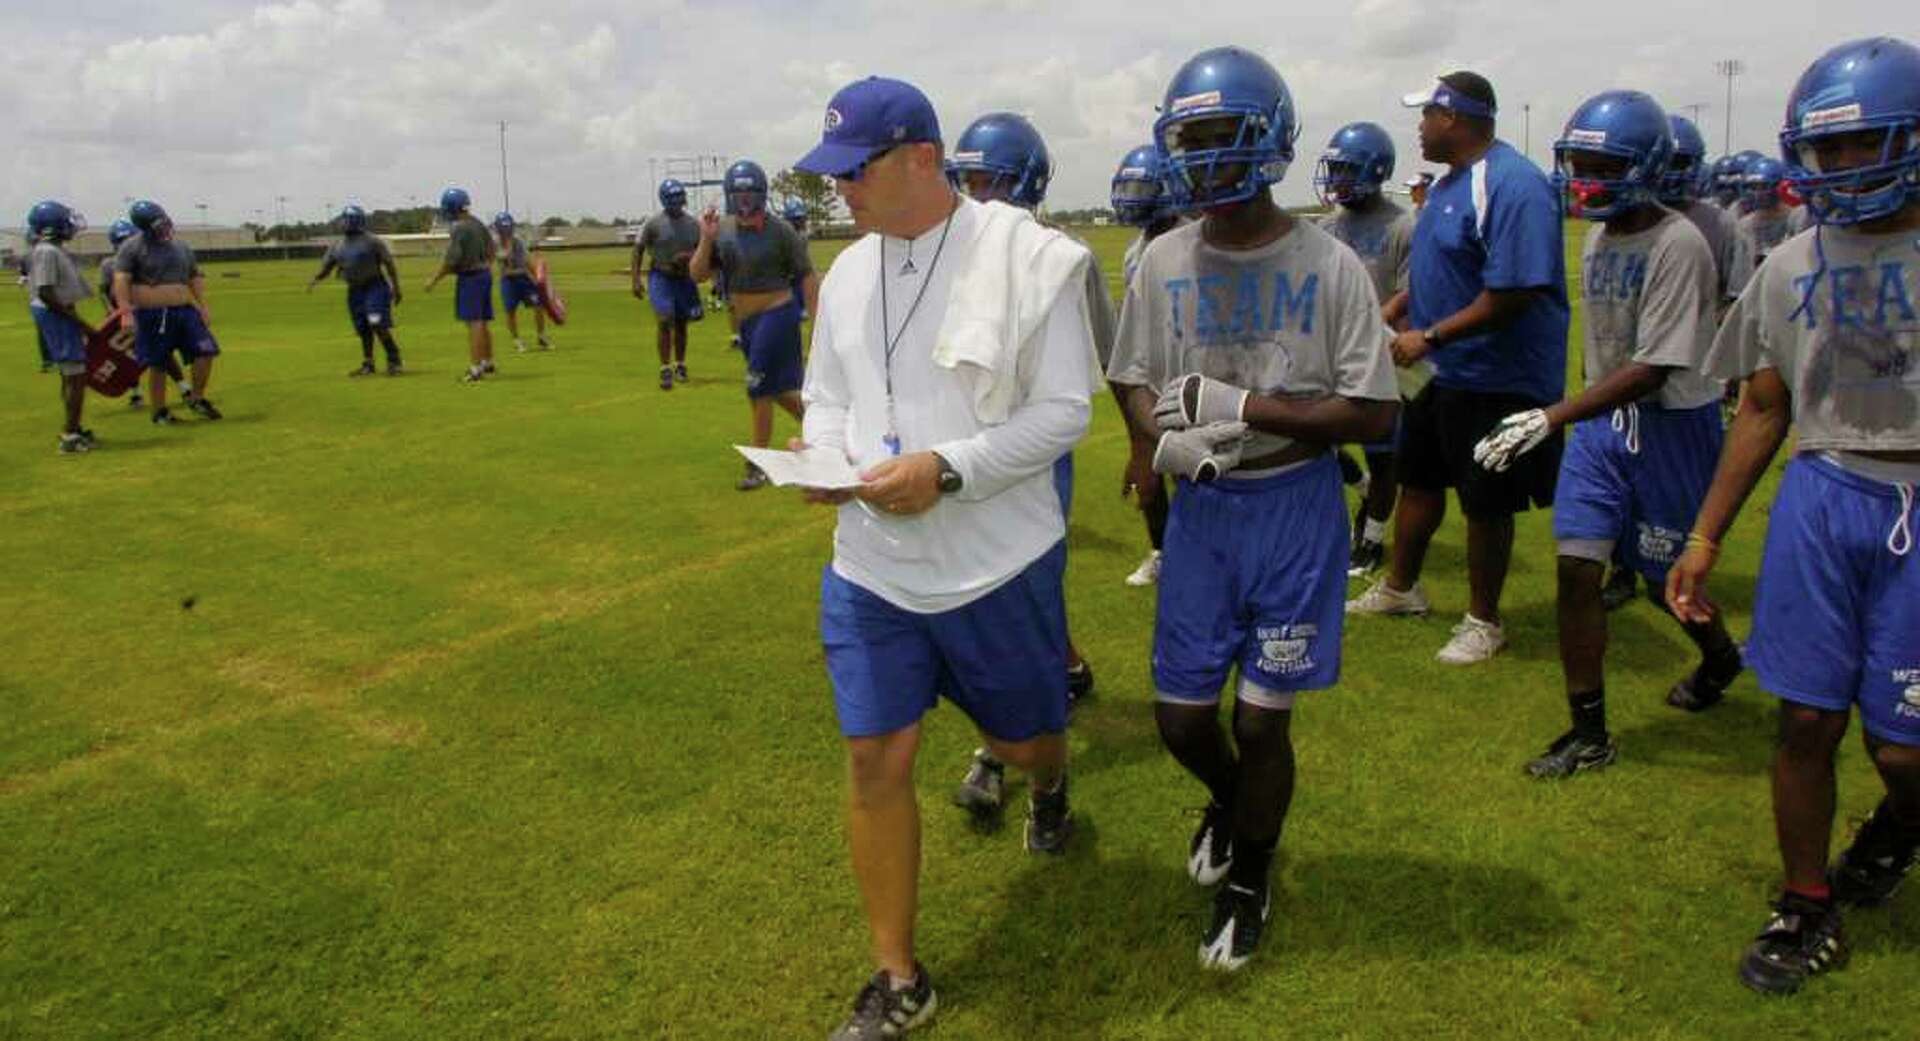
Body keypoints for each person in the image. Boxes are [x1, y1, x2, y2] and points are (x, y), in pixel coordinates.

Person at [790, 74, 1095, 1038]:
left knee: (1021, 739)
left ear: (924, 156)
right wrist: (826, 459)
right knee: (875, 753)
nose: (842, 191)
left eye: (858, 170)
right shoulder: (845, 273)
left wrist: (948, 469)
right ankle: (899, 976)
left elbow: (1063, 414)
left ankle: (1045, 780)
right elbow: (830, 393)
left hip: (994, 564)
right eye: (834, 175)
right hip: (872, 564)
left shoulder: (1030, 258)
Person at [1111, 47, 1399, 972]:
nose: (1200, 159)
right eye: (1185, 140)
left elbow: (1378, 409)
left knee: (1262, 720)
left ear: (1267, 139)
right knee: (1182, 721)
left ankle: (1252, 875)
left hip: (1292, 504)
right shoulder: (1160, 259)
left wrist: (1245, 409)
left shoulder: (1331, 263)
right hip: (1204, 509)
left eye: (1216, 137)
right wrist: (1161, 438)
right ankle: (1233, 805)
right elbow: (1133, 376)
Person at [1667, 35, 1920, 996]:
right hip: (1824, 493)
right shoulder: (1789, 262)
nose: (1848, 167)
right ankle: (1805, 900)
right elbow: (1765, 405)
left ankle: (1900, 823)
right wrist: (1704, 535)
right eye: (1833, 150)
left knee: (1903, 745)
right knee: (1806, 717)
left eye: (1869, 145)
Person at [1475, 90, 1742, 779]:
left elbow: (1653, 367)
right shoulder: (1596, 237)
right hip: (1601, 425)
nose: (1589, 176)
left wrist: (1551, 415)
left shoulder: (1679, 244)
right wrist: (1574, 412)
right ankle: (1588, 730)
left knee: (1663, 582)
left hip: (1671, 425)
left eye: (1604, 163)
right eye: (1582, 161)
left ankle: (1719, 655)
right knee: (1576, 568)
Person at [1347, 71, 1570, 666]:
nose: (1418, 128)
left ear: (1453, 117)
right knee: (1417, 479)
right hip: (1440, 373)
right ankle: (1401, 587)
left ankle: (1484, 620)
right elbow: (1438, 274)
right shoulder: (1448, 187)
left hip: (1496, 375)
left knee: (1485, 502)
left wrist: (1432, 335)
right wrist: (1395, 310)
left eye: (1426, 116)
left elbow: (1515, 291)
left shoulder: (1513, 184)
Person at [943, 109, 1103, 822]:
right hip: (966, 459)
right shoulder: (946, 253)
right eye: (964, 179)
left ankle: (1009, 762)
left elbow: (1090, 367)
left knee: (1018, 595)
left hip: (1031, 459)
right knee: (992, 597)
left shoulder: (1056, 256)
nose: (971, 194)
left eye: (985, 179)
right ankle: (1067, 670)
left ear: (1023, 181)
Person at [1314, 120, 1416, 575]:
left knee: (1384, 448)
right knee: (1314, 437)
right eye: (1333, 168)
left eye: (1346, 169)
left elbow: (1409, 290)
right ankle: (1361, 485)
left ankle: (1371, 538)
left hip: (1380, 352)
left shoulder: (1403, 226)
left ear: (1375, 169)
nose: (1337, 178)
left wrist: (1370, 324)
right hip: (1327, 353)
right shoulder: (1325, 227)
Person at [690, 159, 818, 490]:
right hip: (747, 322)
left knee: (756, 386)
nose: (744, 200)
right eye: (738, 193)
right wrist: (706, 239)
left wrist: (818, 325)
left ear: (762, 194)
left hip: (777, 314)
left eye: (750, 192)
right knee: (774, 390)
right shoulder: (724, 230)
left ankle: (758, 463)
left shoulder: (782, 232)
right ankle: (826, 427)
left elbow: (807, 277)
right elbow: (698, 274)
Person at [1111, 143, 1184, 587]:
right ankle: (1161, 551)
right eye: (1128, 187)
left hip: (1188, 376)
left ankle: (1194, 555)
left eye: (1142, 186)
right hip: (1150, 378)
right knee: (1151, 470)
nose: (1132, 197)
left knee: (1190, 472)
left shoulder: (1189, 239)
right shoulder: (1135, 250)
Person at [112, 199, 223, 425]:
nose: (163, 228)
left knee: (206, 350)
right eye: (157, 226)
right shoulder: (132, 247)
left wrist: (203, 305)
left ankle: (197, 398)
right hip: (153, 315)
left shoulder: (181, 247)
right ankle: (159, 411)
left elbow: (194, 276)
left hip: (184, 311)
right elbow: (121, 279)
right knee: (158, 362)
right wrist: (125, 312)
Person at [25, 201, 97, 453]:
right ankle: (69, 435)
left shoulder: (53, 249)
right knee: (75, 375)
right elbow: (46, 293)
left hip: (60, 313)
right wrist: (82, 325)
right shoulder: (46, 251)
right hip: (56, 314)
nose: (70, 226)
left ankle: (74, 427)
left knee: (71, 374)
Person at [307, 205, 404, 377]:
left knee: (376, 322)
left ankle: (394, 359)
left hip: (375, 287)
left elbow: (389, 264)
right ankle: (368, 363)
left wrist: (396, 288)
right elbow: (328, 267)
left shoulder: (373, 241)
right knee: (363, 327)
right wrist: (316, 278)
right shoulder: (337, 245)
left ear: (353, 221)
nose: (342, 223)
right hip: (355, 291)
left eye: (345, 219)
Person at [631, 179, 704, 390]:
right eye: (672, 197)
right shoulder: (652, 223)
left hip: (685, 278)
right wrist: (635, 279)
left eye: (679, 196)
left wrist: (688, 256)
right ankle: (665, 368)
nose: (676, 201)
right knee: (664, 320)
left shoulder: (693, 224)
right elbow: (638, 249)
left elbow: (704, 249)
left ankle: (680, 364)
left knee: (681, 323)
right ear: (663, 199)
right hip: (661, 276)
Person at [422, 187, 495, 384]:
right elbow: (492, 248)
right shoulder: (478, 223)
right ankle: (488, 361)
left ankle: (475, 368)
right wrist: (487, 264)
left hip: (470, 278)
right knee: (483, 321)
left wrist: (434, 280)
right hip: (484, 274)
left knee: (474, 322)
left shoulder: (459, 228)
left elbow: (451, 260)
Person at [1726, 156, 1795, 298]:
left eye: (1763, 187)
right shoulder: (1745, 226)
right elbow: (1740, 279)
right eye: (1753, 187)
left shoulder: (1795, 219)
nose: (1758, 193)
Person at [492, 212, 551, 353]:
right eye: (503, 227)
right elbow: (496, 258)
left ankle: (541, 337)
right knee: (510, 311)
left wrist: (538, 279)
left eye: (508, 227)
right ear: (498, 228)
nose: (506, 230)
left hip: (523, 278)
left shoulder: (518, 241)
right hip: (508, 281)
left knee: (538, 305)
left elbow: (527, 261)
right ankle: (517, 341)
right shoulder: (494, 243)